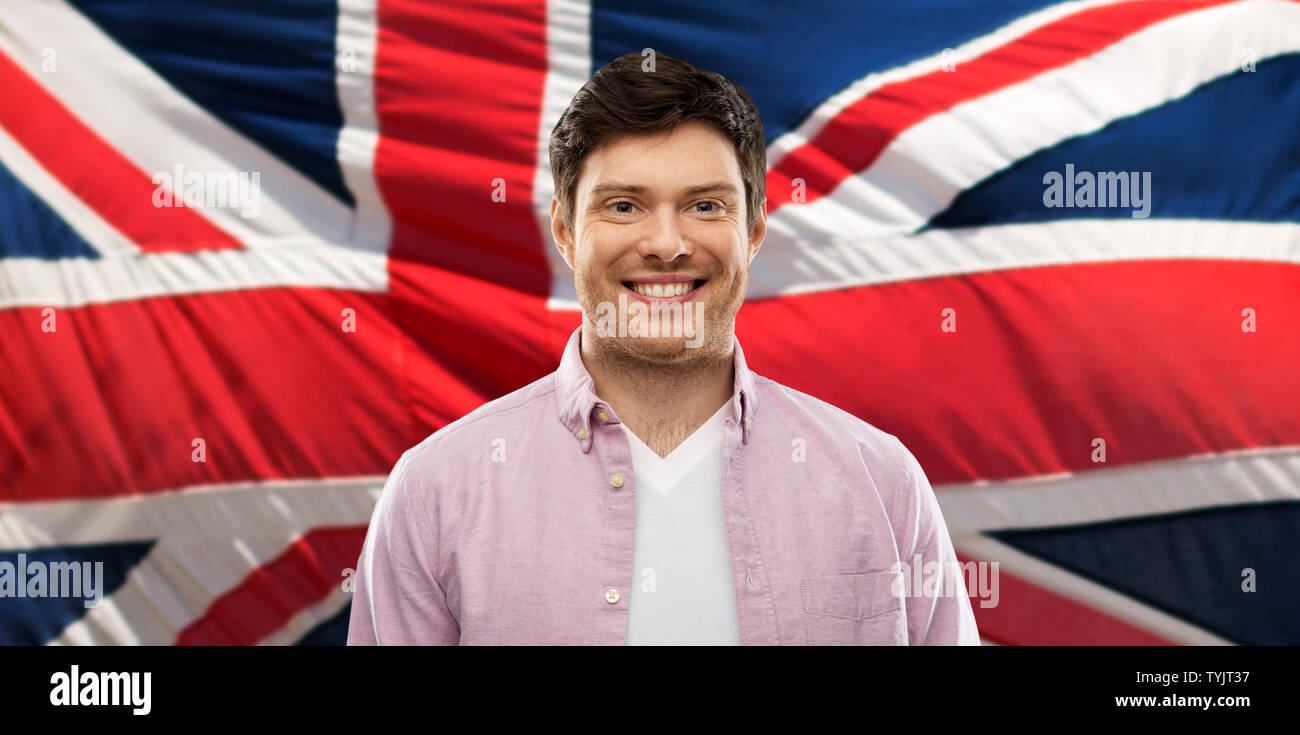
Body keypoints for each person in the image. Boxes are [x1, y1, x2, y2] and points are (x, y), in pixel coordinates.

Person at [347, 51, 979, 645]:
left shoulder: (882, 481)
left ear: (754, 229)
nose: (667, 243)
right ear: (566, 232)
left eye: (705, 205)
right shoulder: (434, 491)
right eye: (624, 206)